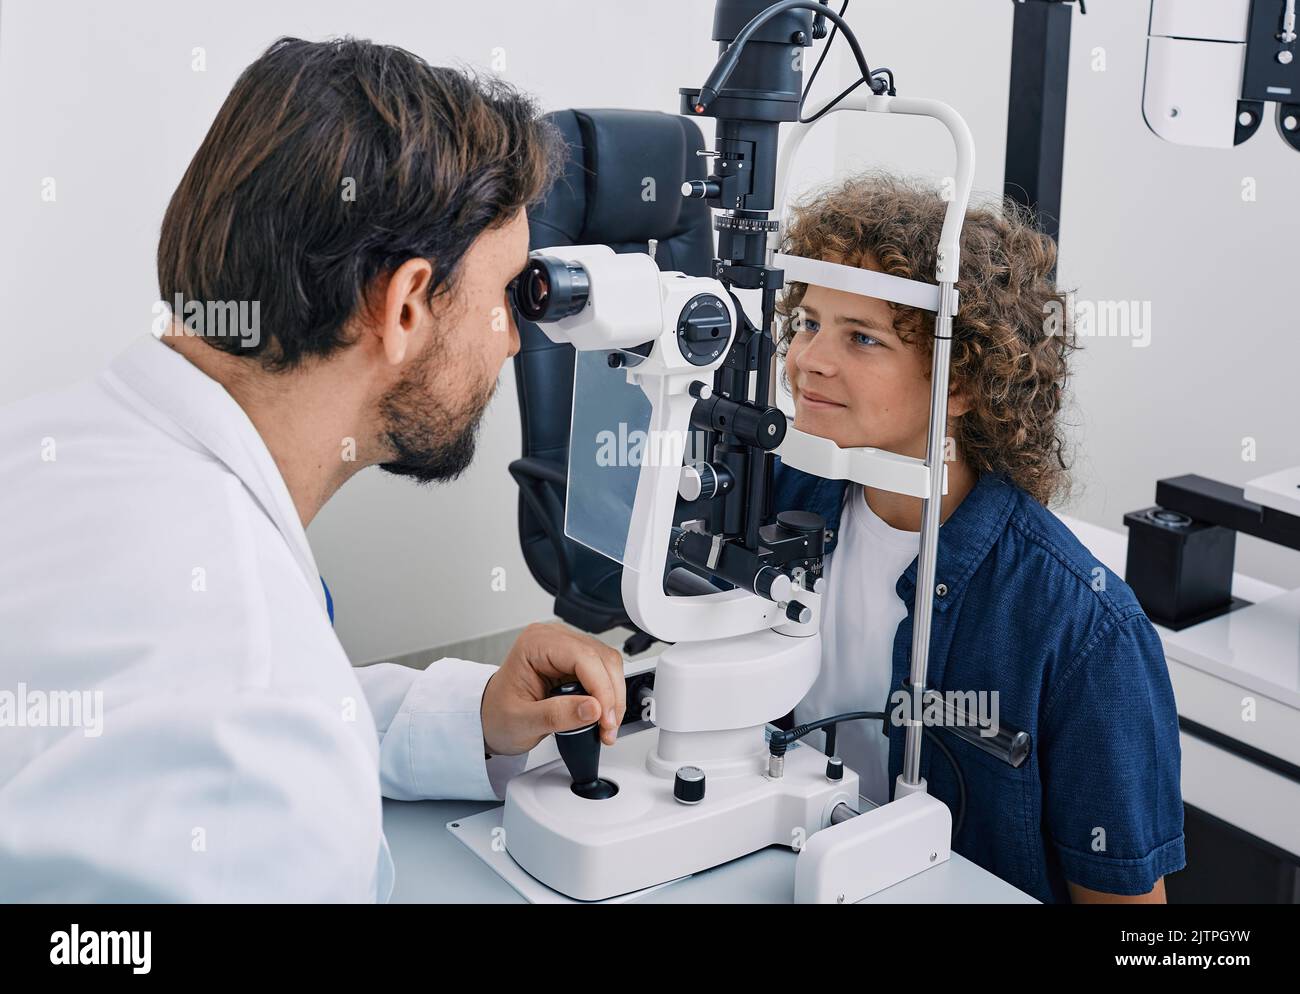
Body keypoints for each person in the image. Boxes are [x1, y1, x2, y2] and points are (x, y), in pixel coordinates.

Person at [0, 37, 626, 901]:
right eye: (506, 296)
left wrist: (465, 721)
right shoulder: (257, 738)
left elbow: (130, 712)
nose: (515, 340)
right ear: (406, 305)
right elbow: (240, 717)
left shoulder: (48, 443)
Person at [771, 173, 1185, 903]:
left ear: (960, 380)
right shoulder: (781, 499)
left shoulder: (1084, 631)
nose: (811, 360)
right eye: (808, 323)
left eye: (861, 337)